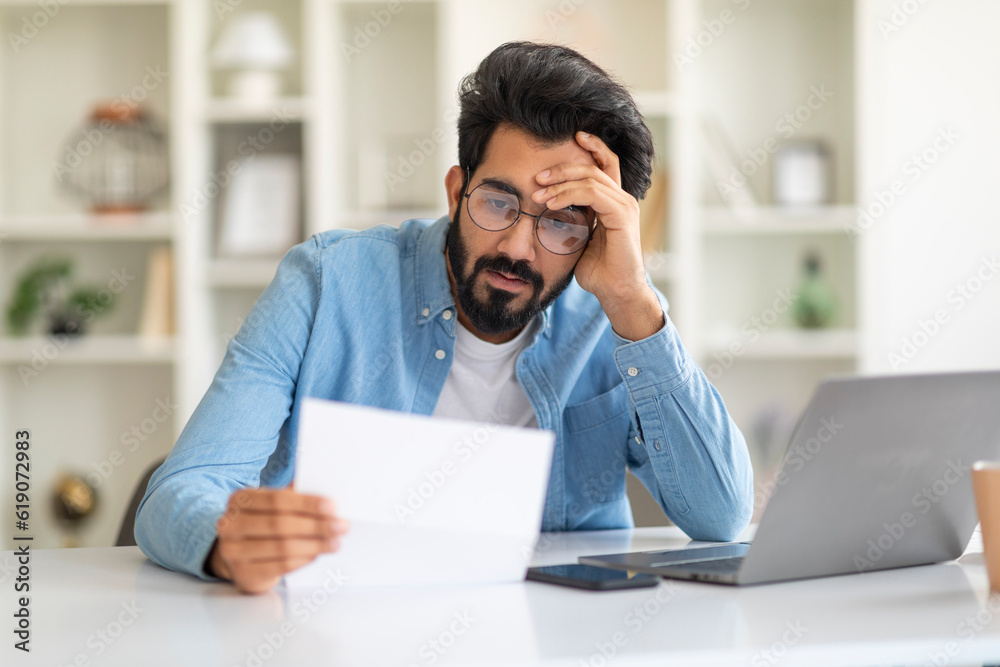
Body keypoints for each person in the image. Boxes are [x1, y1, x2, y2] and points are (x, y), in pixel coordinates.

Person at [135, 41, 753, 594]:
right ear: (456, 190)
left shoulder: (613, 316)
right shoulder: (327, 285)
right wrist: (225, 545)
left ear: (594, 231)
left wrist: (633, 303)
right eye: (497, 202)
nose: (516, 246)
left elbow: (721, 515)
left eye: (561, 221)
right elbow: (178, 493)